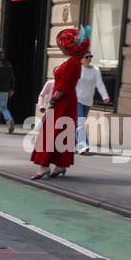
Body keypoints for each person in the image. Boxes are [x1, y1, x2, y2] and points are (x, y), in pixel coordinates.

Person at [31, 26, 90, 179]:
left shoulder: (72, 62)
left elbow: (64, 86)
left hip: (63, 102)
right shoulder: (74, 61)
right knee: (61, 133)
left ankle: (44, 166)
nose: (61, 49)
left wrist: (52, 100)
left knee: (51, 133)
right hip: (67, 101)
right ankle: (60, 165)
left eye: (62, 46)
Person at [75, 51, 110, 153]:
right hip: (77, 99)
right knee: (81, 122)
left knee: (79, 123)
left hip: (88, 101)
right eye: (87, 56)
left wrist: (105, 96)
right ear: (81, 59)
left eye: (91, 56)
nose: (89, 58)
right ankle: (82, 145)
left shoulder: (95, 70)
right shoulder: (78, 69)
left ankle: (72, 143)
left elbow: (100, 84)